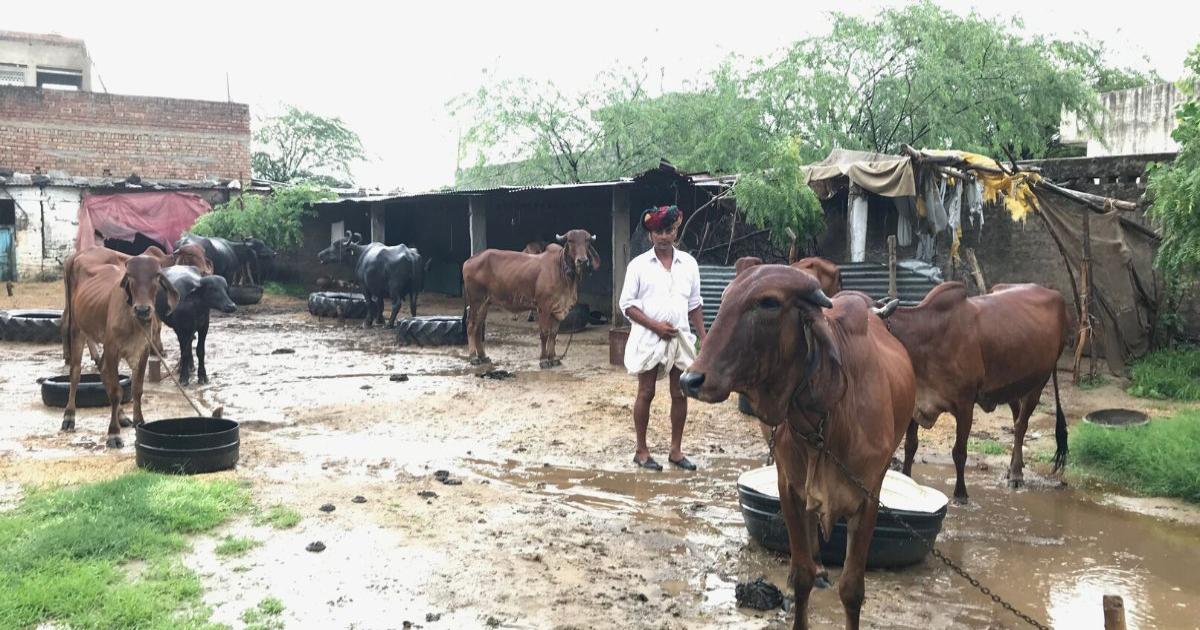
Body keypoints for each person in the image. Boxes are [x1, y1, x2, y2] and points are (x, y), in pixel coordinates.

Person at [618, 205, 705, 471]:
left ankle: (676, 451)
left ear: (676, 231)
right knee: (646, 392)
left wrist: (704, 338)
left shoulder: (689, 264)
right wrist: (655, 326)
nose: (664, 236)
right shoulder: (638, 266)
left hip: (680, 337)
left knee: (680, 394)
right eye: (658, 232)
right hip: (649, 337)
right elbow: (627, 305)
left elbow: (694, 305)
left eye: (668, 230)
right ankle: (641, 451)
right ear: (650, 235)